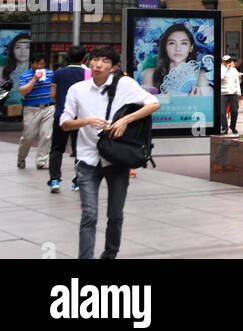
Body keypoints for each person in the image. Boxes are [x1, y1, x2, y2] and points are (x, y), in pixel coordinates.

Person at [60, 46, 159, 260]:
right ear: (88, 62)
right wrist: (86, 121)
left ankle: (110, 254)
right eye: (95, 60)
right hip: (87, 160)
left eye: (104, 61)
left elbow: (153, 103)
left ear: (112, 66)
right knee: (89, 214)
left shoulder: (124, 84)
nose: (98, 64)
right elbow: (64, 123)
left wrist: (124, 120)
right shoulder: (77, 89)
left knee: (115, 215)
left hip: (116, 159)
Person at [48, 46, 91, 192]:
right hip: (80, 118)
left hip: (61, 116)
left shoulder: (58, 73)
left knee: (56, 148)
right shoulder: (87, 73)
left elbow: (53, 94)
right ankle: (77, 181)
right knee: (79, 148)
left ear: (67, 57)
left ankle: (54, 180)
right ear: (84, 59)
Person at [139, 21, 212, 96]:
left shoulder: (200, 75)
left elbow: (204, 105)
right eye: (172, 43)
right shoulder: (150, 74)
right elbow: (147, 104)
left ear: (191, 48)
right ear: (165, 47)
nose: (178, 49)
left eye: (183, 43)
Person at [17, 50, 55, 170]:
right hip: (31, 109)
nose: (39, 67)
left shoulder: (50, 74)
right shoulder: (25, 76)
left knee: (47, 135)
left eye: (42, 64)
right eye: (37, 64)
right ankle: (21, 157)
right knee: (28, 136)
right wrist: (34, 79)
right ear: (32, 64)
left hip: (48, 107)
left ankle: (41, 161)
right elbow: (23, 91)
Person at [3, 32, 32, 119]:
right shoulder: (8, 70)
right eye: (18, 47)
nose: (23, 51)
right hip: (10, 108)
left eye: (27, 47)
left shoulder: (33, 70)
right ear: (12, 49)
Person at [218, 55, 242, 135]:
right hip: (223, 93)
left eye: (229, 61)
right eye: (226, 61)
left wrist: (238, 93)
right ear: (223, 62)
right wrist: (226, 69)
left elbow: (237, 82)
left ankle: (233, 126)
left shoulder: (234, 70)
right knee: (222, 112)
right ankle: (224, 127)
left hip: (233, 93)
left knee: (235, 111)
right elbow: (220, 78)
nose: (228, 62)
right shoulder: (220, 69)